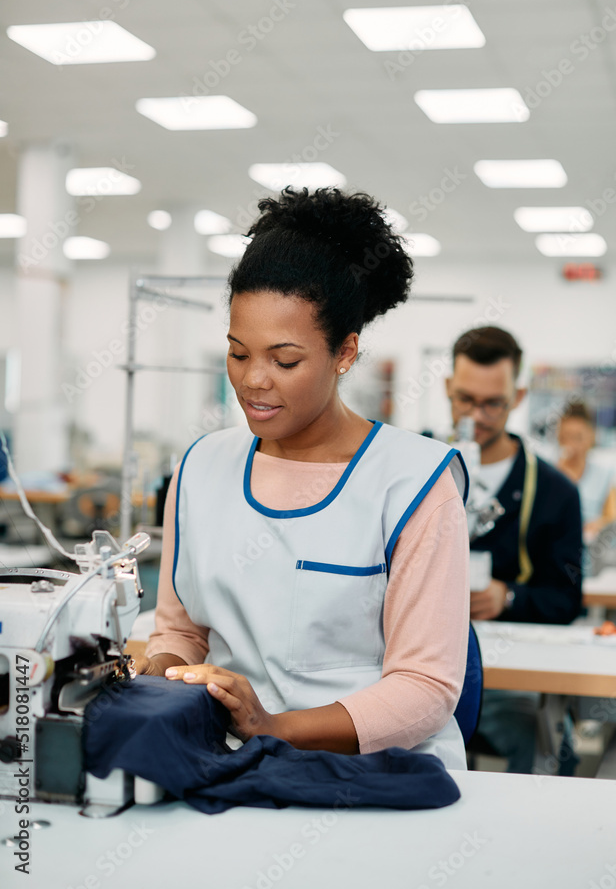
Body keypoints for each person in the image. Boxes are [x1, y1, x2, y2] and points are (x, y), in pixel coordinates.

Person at [136, 187, 471, 770]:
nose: (254, 381)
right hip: (222, 756)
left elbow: (425, 689)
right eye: (238, 354)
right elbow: (181, 631)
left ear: (344, 353)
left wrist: (274, 727)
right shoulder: (200, 467)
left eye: (284, 360)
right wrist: (159, 674)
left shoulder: (414, 483)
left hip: (371, 771)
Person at [445, 325, 583, 773]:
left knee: (548, 748)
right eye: (465, 399)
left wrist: (507, 598)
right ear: (448, 388)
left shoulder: (554, 492)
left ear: (518, 398)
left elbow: (565, 599)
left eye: (493, 404)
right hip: (420, 664)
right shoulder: (415, 471)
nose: (477, 415)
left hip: (508, 675)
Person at [557, 402, 616, 544]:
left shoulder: (606, 476)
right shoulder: (551, 475)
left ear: (591, 436)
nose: (571, 443)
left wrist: (598, 525)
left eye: (577, 437)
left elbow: (612, 520)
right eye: (565, 437)